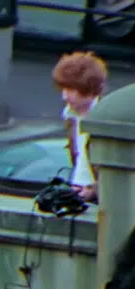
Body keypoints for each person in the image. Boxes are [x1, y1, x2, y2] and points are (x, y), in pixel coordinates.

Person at [52, 51, 108, 203]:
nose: (64, 96)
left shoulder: (107, 118)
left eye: (70, 90)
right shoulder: (70, 117)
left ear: (88, 89)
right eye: (63, 89)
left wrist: (94, 190)